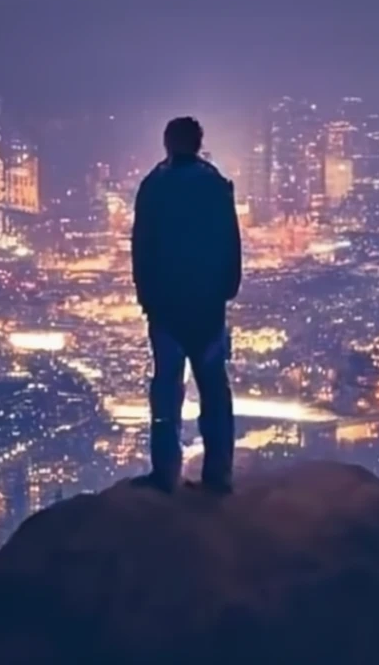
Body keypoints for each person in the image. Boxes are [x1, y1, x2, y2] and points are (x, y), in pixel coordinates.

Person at [131, 116, 242, 493]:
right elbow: (231, 242)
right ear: (198, 143)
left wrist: (147, 297)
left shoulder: (154, 187)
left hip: (167, 309)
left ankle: (165, 474)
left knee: (166, 391)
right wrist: (226, 290)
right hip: (207, 306)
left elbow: (142, 247)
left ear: (167, 143)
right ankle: (219, 474)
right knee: (213, 389)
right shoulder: (215, 185)